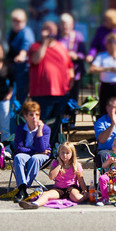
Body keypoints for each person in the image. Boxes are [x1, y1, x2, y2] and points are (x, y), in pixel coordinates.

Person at [28, 19, 74, 152]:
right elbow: (36, 59)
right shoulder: (35, 46)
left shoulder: (61, 47)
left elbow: (69, 66)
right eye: (45, 28)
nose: (48, 32)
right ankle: (41, 147)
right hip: (42, 93)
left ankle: (53, 147)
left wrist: (71, 80)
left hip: (60, 93)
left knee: (56, 123)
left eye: (51, 29)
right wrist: (44, 43)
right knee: (43, 122)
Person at [20, 141, 87, 207]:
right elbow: (51, 177)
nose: (64, 155)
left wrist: (84, 190)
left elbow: (81, 180)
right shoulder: (55, 163)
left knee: (77, 198)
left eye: (67, 153)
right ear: (59, 153)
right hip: (58, 188)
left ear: (72, 154)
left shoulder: (76, 165)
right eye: (62, 153)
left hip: (72, 188)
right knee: (46, 194)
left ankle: (91, 195)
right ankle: (35, 204)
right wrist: (59, 165)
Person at [12, 100, 52, 202]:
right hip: (28, 153)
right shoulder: (20, 128)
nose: (34, 117)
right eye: (31, 114)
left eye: (37, 114)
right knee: (18, 157)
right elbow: (19, 148)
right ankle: (23, 189)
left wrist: (39, 131)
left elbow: (42, 149)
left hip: (42, 155)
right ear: (25, 116)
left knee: (35, 159)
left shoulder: (45, 129)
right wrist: (35, 152)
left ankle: (23, 188)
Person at [57, 12, 87, 108]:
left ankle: (72, 120)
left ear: (72, 25)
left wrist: (76, 55)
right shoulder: (56, 37)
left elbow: (83, 54)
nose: (65, 26)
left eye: (67, 24)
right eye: (62, 23)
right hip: (60, 73)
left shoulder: (77, 36)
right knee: (61, 98)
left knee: (73, 98)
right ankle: (61, 120)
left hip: (74, 72)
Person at [7, 9, 36, 104]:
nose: (16, 23)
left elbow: (27, 44)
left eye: (19, 21)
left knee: (21, 95)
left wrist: (21, 55)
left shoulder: (26, 32)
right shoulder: (12, 32)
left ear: (24, 21)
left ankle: (20, 116)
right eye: (14, 20)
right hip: (12, 68)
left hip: (22, 69)